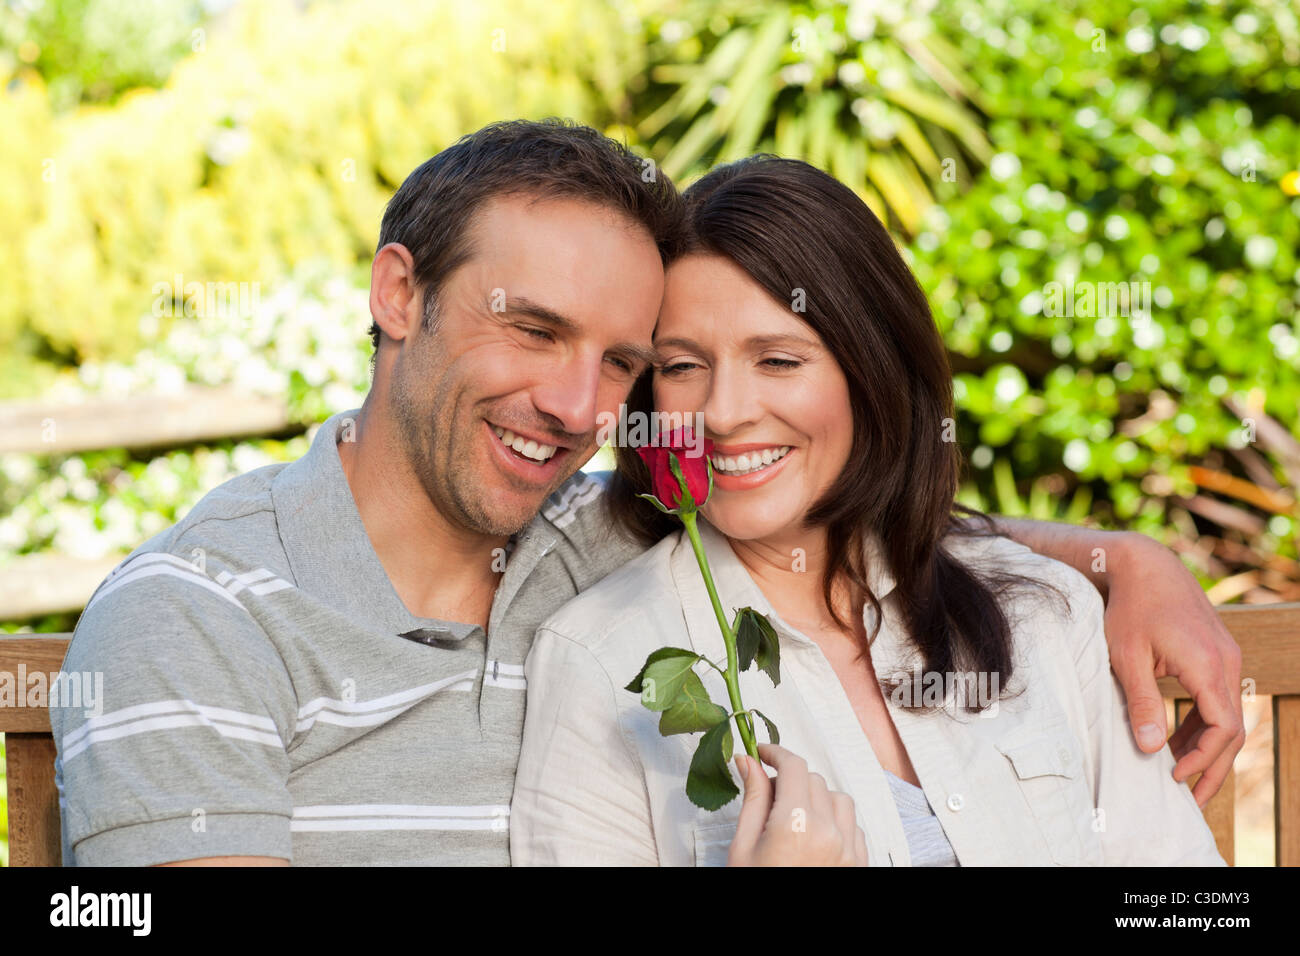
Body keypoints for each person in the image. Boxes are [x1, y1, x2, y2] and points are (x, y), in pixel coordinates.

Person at [51, 120, 1241, 867]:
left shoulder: (590, 528)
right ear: (398, 294)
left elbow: (833, 502)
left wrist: (1113, 557)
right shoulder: (195, 620)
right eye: (531, 328)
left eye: (622, 360)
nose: (576, 406)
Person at [509, 156, 1227, 866]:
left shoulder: (1042, 613)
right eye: (682, 366)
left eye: (779, 360)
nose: (722, 414)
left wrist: (1131, 555)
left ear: (872, 369)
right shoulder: (600, 664)